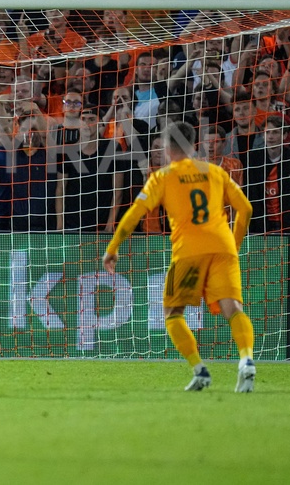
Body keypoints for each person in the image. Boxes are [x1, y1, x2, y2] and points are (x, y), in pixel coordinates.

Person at [102, 122, 256, 393]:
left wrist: (113, 247)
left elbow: (134, 214)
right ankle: (246, 360)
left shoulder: (163, 176)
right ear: (194, 144)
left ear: (166, 147)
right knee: (233, 308)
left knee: (172, 313)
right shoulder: (215, 171)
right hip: (223, 248)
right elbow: (246, 209)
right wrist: (234, 244)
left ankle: (200, 370)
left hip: (188, 251)